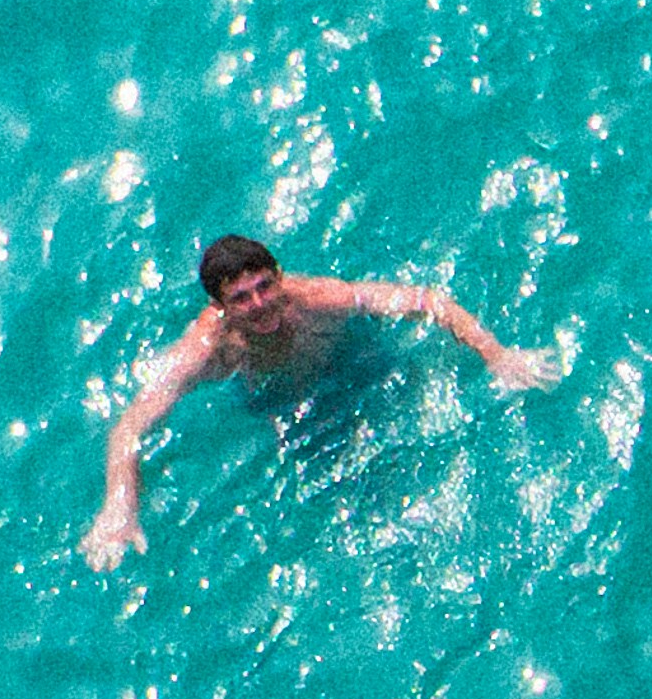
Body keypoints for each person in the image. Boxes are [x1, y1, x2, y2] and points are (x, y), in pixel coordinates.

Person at [81, 235, 559, 564]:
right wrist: (119, 508)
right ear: (220, 307)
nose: (260, 303)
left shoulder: (317, 298)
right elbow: (129, 427)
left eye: (265, 286)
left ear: (280, 277)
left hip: (350, 365)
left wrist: (496, 354)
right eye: (242, 298)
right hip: (282, 404)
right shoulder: (207, 351)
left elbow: (426, 301)